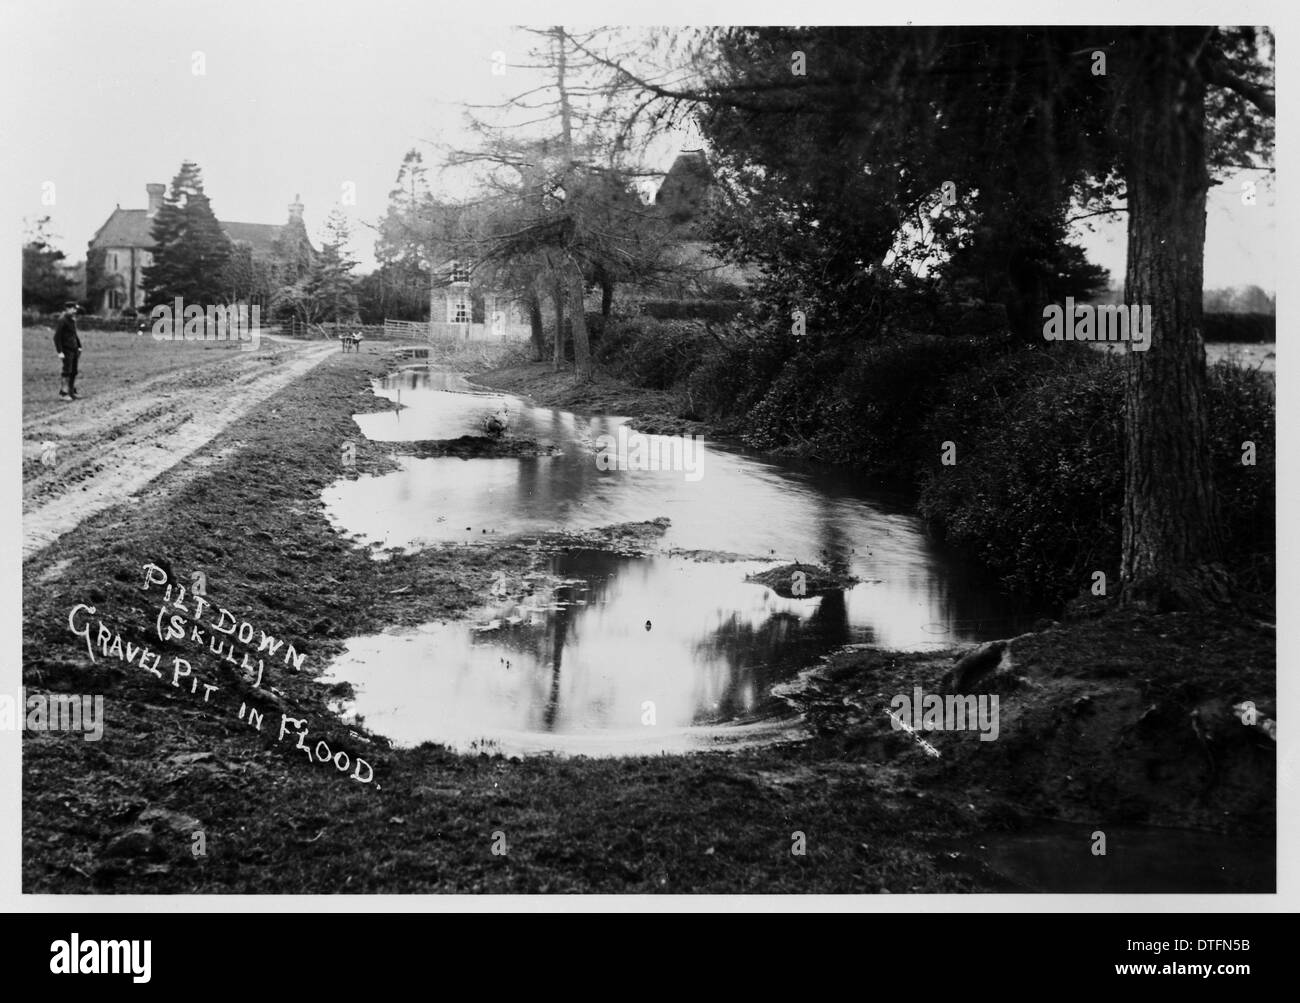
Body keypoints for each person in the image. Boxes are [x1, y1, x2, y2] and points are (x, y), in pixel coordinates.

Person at [53, 301, 82, 401]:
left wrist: (79, 346)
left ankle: (71, 391)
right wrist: (60, 351)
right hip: (66, 350)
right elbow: (57, 337)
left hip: (74, 349)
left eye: (75, 309)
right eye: (73, 309)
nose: (75, 311)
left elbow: (74, 334)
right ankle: (63, 393)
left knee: (74, 371)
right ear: (67, 309)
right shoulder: (63, 320)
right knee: (67, 371)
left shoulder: (72, 320)